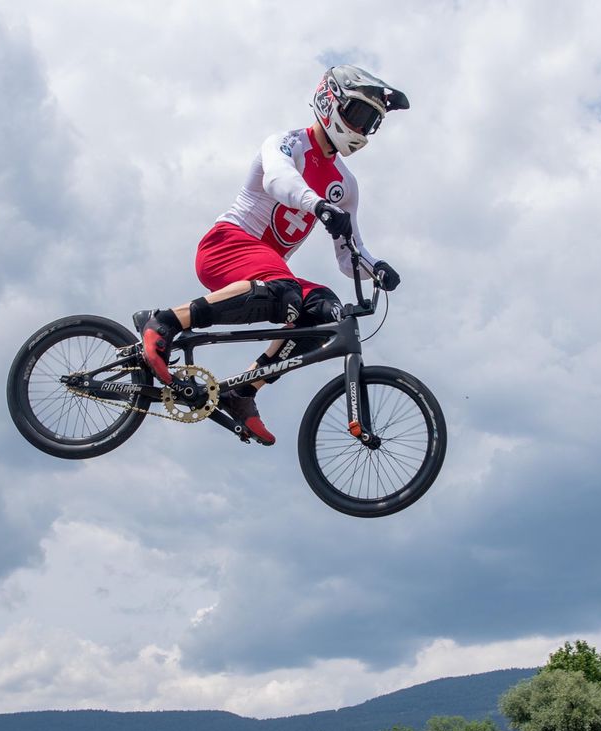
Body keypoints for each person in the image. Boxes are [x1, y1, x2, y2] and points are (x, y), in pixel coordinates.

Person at [138, 65, 409, 446]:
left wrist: (375, 268)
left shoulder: (345, 185)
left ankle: (243, 392)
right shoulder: (287, 143)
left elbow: (350, 256)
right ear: (330, 101)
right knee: (284, 289)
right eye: (359, 115)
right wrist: (318, 207)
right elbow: (277, 180)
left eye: (371, 123)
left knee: (323, 311)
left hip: (266, 268)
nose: (362, 130)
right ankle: (165, 322)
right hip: (226, 246)